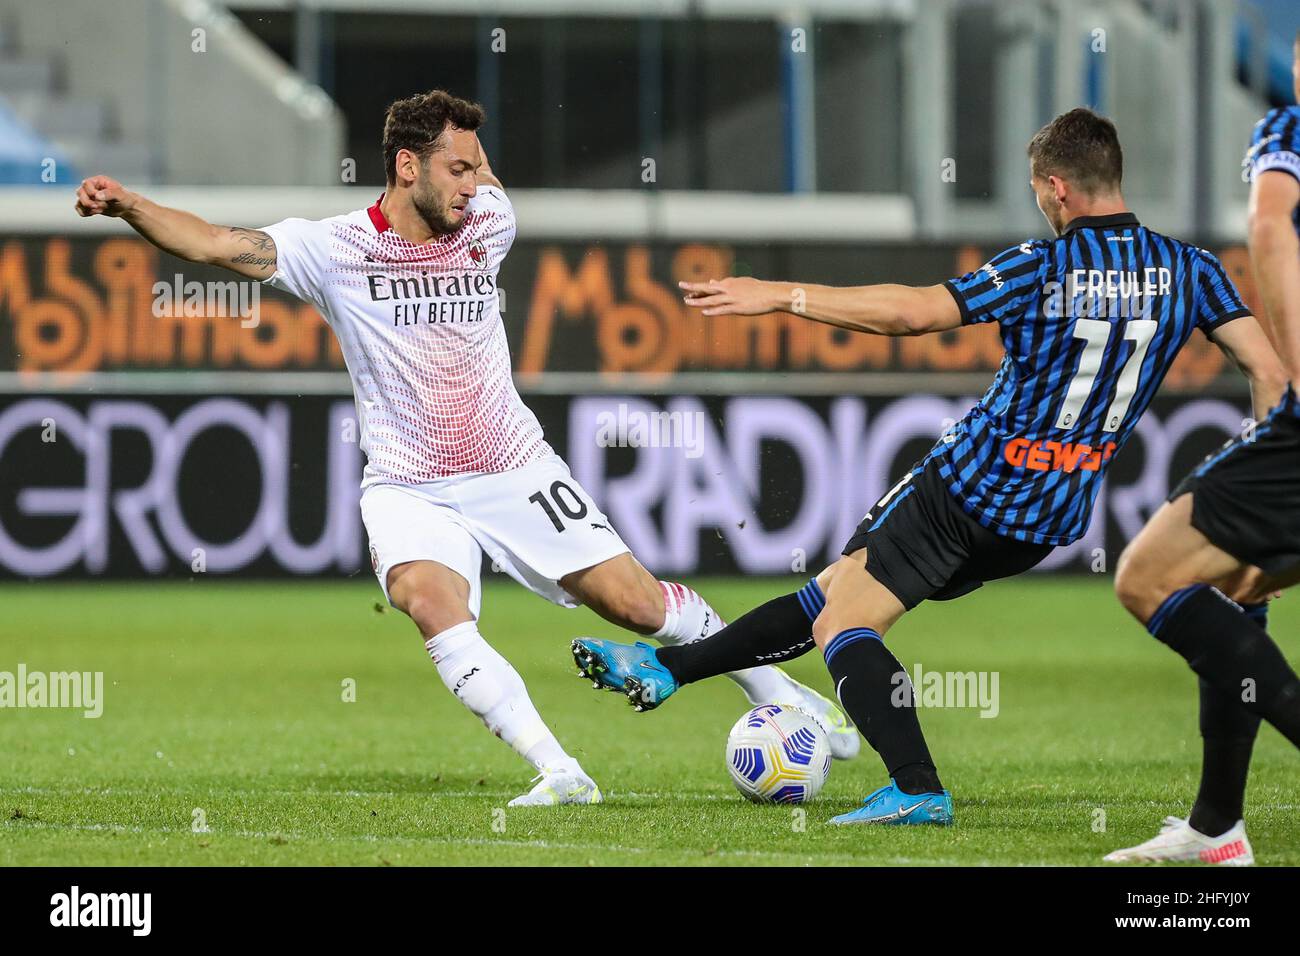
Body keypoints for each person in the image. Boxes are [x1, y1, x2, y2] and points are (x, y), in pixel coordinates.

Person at [74, 89, 856, 807]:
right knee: (427, 602)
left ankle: (784, 697)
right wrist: (130, 205)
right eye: (458, 168)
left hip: (512, 465)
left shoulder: (489, 222)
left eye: (480, 168)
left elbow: (477, 183)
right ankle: (561, 771)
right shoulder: (333, 249)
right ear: (406, 166)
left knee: (639, 606)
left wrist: (472, 163)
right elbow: (213, 244)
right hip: (409, 484)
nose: (475, 184)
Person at [572, 107, 1288, 827]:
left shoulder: (1042, 265)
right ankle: (668, 669)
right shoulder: (1192, 270)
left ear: (1058, 189)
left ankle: (916, 787)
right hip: (1048, 520)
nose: (1040, 202)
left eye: (1039, 190)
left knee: (843, 624)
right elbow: (1267, 371)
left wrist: (782, 295)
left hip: (971, 485)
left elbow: (914, 313)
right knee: (834, 594)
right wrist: (1252, 514)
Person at [1105, 38, 1300, 865]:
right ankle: (1218, 827)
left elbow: (1268, 224)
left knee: (1148, 577)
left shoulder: (1287, 128)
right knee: (1234, 581)